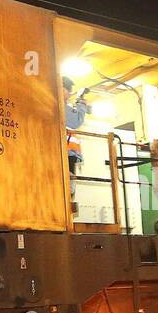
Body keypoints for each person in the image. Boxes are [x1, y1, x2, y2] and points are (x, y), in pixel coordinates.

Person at [64, 76, 89, 212]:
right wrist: (81, 104)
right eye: (68, 91)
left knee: (68, 188)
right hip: (66, 154)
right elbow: (75, 121)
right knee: (68, 190)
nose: (69, 94)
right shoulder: (60, 105)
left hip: (67, 153)